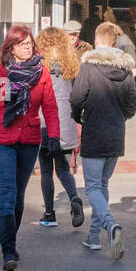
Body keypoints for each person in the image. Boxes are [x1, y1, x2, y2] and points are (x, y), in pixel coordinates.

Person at [0, 25, 61, 271]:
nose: (28, 47)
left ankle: (11, 240)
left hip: (30, 140)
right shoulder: (0, 73)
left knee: (19, 197)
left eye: (30, 43)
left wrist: (53, 136)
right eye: (22, 44)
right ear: (11, 47)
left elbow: (51, 108)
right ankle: (8, 250)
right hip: (1, 140)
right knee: (8, 194)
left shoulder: (42, 73)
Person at [71, 22, 136, 258]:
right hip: (115, 135)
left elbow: (77, 97)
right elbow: (131, 107)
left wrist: (77, 116)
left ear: (97, 42)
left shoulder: (88, 67)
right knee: (103, 185)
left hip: (94, 133)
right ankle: (93, 238)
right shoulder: (126, 70)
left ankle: (110, 225)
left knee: (92, 186)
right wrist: (120, 118)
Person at [34, 26, 85, 229]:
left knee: (46, 170)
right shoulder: (71, 63)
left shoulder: (39, 65)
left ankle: (49, 213)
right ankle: (73, 198)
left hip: (44, 123)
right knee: (63, 167)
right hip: (65, 122)